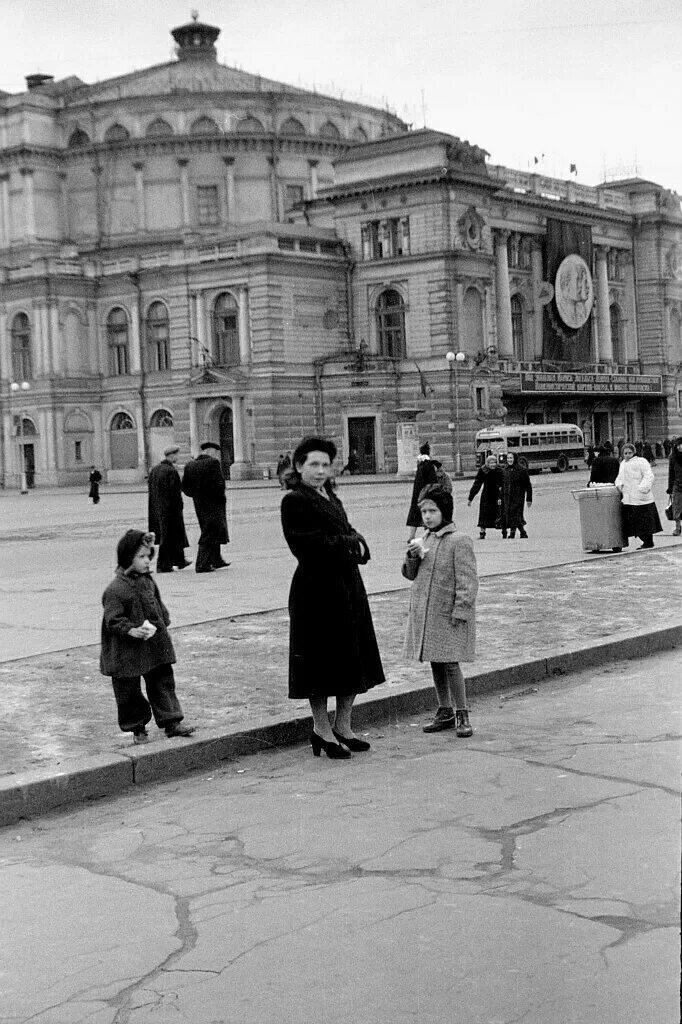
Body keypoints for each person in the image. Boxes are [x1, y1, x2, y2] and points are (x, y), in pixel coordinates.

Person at [281, 435, 385, 759]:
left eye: (325, 464)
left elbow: (347, 532)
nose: (320, 470)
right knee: (320, 663)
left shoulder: (331, 496)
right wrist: (348, 543)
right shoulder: (295, 500)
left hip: (346, 586)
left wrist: (355, 542)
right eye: (313, 464)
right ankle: (321, 729)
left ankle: (343, 725)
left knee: (350, 657)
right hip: (315, 590)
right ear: (299, 467)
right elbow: (306, 546)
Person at [100, 529, 195, 744]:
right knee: (128, 690)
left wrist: (163, 622)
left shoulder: (147, 581)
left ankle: (171, 721)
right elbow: (112, 620)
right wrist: (130, 629)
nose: (147, 561)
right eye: (141, 557)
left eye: (148, 555)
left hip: (154, 644)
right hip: (127, 651)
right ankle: (137, 728)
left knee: (162, 681)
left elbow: (157, 604)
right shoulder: (115, 589)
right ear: (127, 559)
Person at [402, 484, 478, 736]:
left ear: (444, 512)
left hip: (449, 614)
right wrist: (412, 557)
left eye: (432, 511)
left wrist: (461, 610)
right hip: (428, 615)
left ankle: (462, 713)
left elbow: (468, 581)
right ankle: (444, 710)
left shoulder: (459, 540)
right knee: (435, 662)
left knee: (451, 664)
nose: (427, 516)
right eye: (424, 512)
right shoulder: (424, 539)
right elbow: (410, 575)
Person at [181, 441, 230, 573]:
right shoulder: (213, 463)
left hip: (199, 504)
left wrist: (196, 495)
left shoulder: (190, 465)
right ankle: (202, 564)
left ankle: (215, 559)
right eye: (215, 452)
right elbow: (220, 484)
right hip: (214, 504)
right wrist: (219, 497)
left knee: (211, 530)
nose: (216, 455)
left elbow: (185, 487)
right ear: (210, 451)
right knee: (210, 532)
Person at [147, 445, 191, 573]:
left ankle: (180, 560)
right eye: (177, 455)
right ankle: (162, 565)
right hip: (171, 509)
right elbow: (175, 492)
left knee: (173, 536)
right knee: (168, 537)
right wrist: (179, 507)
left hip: (157, 508)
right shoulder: (170, 471)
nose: (178, 457)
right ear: (172, 456)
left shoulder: (155, 470)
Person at [614, 442, 663, 549]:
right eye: (625, 453)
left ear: (634, 452)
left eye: (629, 453)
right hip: (629, 499)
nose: (627, 455)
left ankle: (648, 542)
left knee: (644, 523)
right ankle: (645, 542)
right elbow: (619, 477)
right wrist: (619, 485)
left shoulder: (641, 461)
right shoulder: (623, 464)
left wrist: (642, 488)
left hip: (642, 499)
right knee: (635, 523)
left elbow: (648, 476)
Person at [406, 442, 438, 540]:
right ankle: (430, 536)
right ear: (428, 452)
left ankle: (411, 537)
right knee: (429, 513)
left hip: (417, 492)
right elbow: (432, 481)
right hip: (426, 493)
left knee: (415, 513)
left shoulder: (420, 464)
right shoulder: (429, 465)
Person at [467, 455, 503, 538]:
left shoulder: (500, 470)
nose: (493, 465)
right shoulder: (483, 470)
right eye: (491, 463)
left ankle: (503, 530)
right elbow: (477, 484)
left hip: (498, 495)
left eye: (494, 462)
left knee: (500, 513)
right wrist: (470, 498)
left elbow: (503, 482)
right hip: (487, 495)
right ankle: (482, 532)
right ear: (487, 463)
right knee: (484, 514)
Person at [499, 452, 533, 539]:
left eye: (511, 458)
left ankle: (513, 533)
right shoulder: (505, 470)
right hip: (507, 496)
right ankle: (523, 532)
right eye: (508, 458)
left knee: (515, 513)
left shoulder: (522, 470)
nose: (509, 460)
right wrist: (500, 497)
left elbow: (528, 485)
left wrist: (529, 499)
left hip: (518, 496)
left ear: (515, 459)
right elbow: (502, 485)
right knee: (511, 514)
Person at [666, 437, 682, 536]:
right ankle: (677, 527)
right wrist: (670, 487)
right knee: (676, 507)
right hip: (677, 485)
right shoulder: (673, 457)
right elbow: (671, 473)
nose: (680, 447)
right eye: (678, 445)